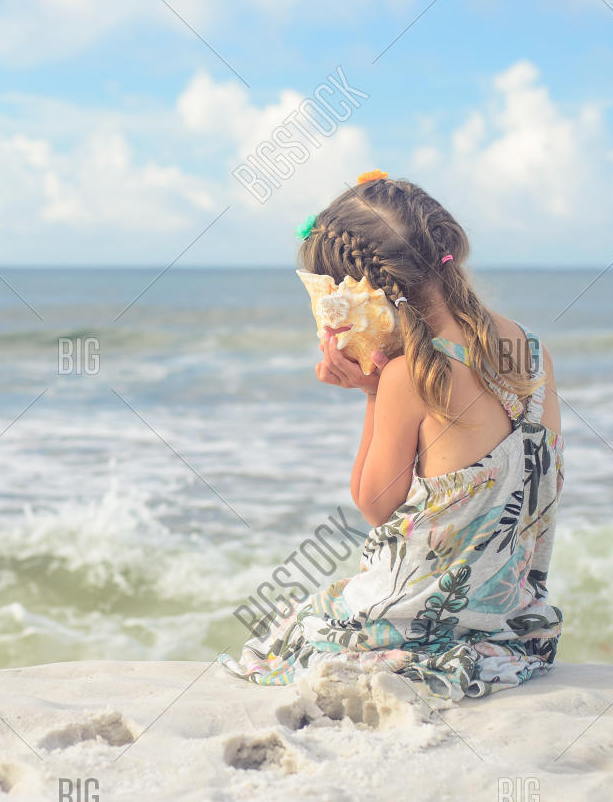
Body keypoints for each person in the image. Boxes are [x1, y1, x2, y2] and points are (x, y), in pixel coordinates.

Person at [222, 171, 565, 701]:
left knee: (292, 627)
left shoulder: (410, 377)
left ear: (362, 295)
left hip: (421, 625)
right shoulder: (531, 349)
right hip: (510, 623)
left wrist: (373, 393)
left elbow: (375, 505)